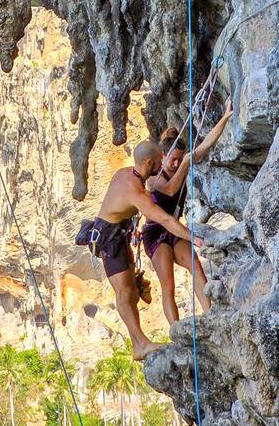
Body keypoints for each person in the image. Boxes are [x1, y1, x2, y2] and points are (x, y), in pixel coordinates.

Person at [76, 140, 203, 360]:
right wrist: (194, 238)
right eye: (159, 161)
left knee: (132, 291)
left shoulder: (127, 173)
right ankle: (140, 344)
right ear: (148, 162)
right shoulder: (136, 191)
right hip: (108, 238)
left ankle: (140, 343)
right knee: (125, 292)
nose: (161, 164)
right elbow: (164, 219)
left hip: (118, 233)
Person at [142, 97, 234, 326]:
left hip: (176, 229)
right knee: (168, 283)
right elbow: (171, 191)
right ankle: (175, 329)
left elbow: (207, 145)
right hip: (155, 232)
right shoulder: (154, 179)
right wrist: (185, 164)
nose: (175, 164)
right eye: (172, 160)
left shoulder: (181, 164)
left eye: (179, 160)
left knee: (195, 265)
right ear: (162, 158)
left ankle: (211, 316)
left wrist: (225, 116)